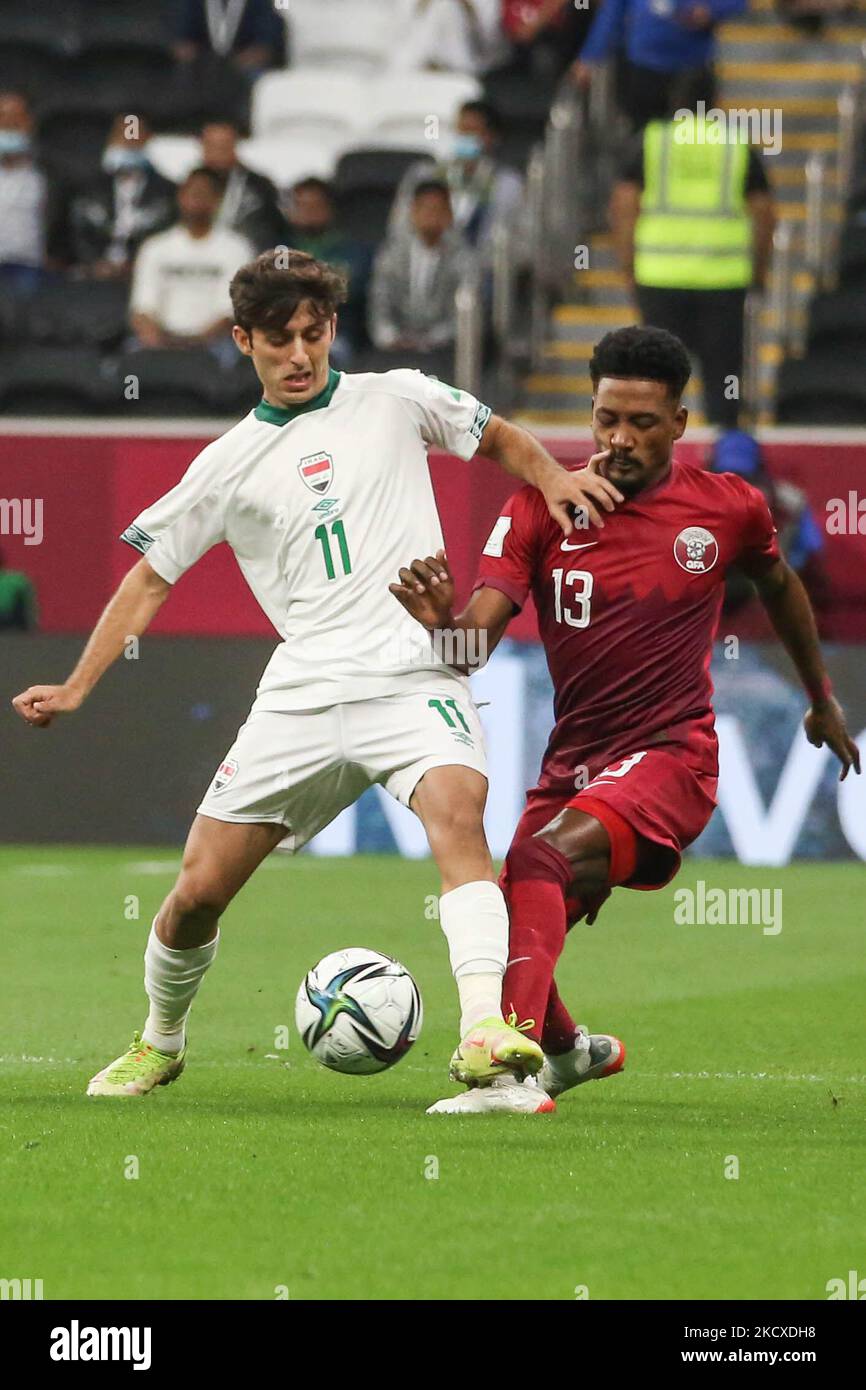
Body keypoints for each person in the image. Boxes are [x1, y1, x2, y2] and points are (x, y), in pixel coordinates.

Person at [11, 247, 620, 1106]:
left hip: (417, 675)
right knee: (195, 896)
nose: (298, 355)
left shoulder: (396, 396)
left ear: (332, 327)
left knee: (460, 823)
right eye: (277, 339)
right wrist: (78, 686)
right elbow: (148, 578)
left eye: (312, 333)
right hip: (302, 693)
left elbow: (497, 436)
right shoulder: (225, 464)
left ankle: (487, 1028)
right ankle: (161, 1040)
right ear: (242, 341)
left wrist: (555, 478)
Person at [391, 324, 860, 1114]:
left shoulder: (726, 509)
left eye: (642, 422)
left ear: (679, 424)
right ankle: (569, 1050)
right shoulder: (541, 509)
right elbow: (472, 646)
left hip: (674, 758)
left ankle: (506, 1076)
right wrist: (442, 624)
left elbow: (779, 586)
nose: (620, 438)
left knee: (538, 862)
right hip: (575, 761)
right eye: (607, 417)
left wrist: (820, 697)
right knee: (509, 913)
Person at [609, 81, 776, 429]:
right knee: (725, 375)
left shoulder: (651, 141)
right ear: (717, 101)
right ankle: (726, 447)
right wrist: (760, 269)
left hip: (659, 276)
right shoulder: (735, 144)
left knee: (656, 376)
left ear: (674, 100)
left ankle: (653, 448)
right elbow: (763, 212)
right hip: (724, 279)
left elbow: (625, 205)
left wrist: (628, 267)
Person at [128, 167, 253, 362]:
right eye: (191, 193)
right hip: (161, 338)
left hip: (216, 342)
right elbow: (143, 308)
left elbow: (231, 314)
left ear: (217, 201)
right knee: (129, 358)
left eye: (203, 194)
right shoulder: (155, 247)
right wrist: (158, 340)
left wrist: (194, 344)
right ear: (180, 197)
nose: (196, 199)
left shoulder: (236, 248)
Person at [709, 429, 830, 621]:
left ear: (759, 470)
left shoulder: (790, 503)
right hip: (709, 609)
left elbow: (809, 554)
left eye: (744, 475)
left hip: (771, 608)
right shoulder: (693, 503)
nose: (736, 483)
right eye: (726, 475)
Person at [572, 0, 747, 131]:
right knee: (643, 136)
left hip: (691, 71)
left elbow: (737, 3)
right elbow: (611, 14)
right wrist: (590, 56)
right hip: (645, 68)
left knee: (694, 134)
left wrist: (711, 11)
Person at [388, 101, 524, 256]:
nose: (463, 137)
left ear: (491, 137)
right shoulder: (424, 175)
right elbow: (399, 228)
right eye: (460, 130)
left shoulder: (507, 185)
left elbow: (502, 242)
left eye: (471, 131)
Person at [51, 115, 176, 279]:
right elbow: (75, 233)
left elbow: (167, 235)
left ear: (148, 140)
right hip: (92, 274)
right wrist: (94, 263)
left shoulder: (167, 191)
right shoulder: (87, 189)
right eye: (123, 138)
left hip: (143, 274)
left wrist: (139, 264)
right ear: (111, 141)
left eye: (135, 140)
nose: (129, 145)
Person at [369, 181, 474, 368]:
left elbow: (462, 314)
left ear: (449, 215)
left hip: (442, 348)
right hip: (395, 346)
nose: (431, 215)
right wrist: (390, 337)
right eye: (425, 208)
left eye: (438, 209)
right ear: (412, 212)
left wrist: (429, 340)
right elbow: (379, 302)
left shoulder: (464, 257)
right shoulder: (391, 254)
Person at [282, 177, 372, 356]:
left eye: (315, 206)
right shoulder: (280, 250)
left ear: (329, 208)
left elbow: (348, 292)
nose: (308, 213)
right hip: (287, 330)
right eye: (301, 206)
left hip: (337, 332)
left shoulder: (354, 251)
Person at [200, 119, 286, 252]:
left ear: (235, 147)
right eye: (211, 146)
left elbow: (276, 230)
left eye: (223, 147)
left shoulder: (260, 187)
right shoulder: (191, 186)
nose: (217, 153)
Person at [0, 90, 48, 298]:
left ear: (30, 124)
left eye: (16, 119)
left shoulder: (47, 177)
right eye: (3, 118)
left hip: (30, 269)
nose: (9, 125)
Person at [0, 548, 38, 631]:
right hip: (13, 622)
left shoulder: (17, 580)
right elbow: (30, 605)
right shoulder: (18, 579)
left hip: (10, 621)